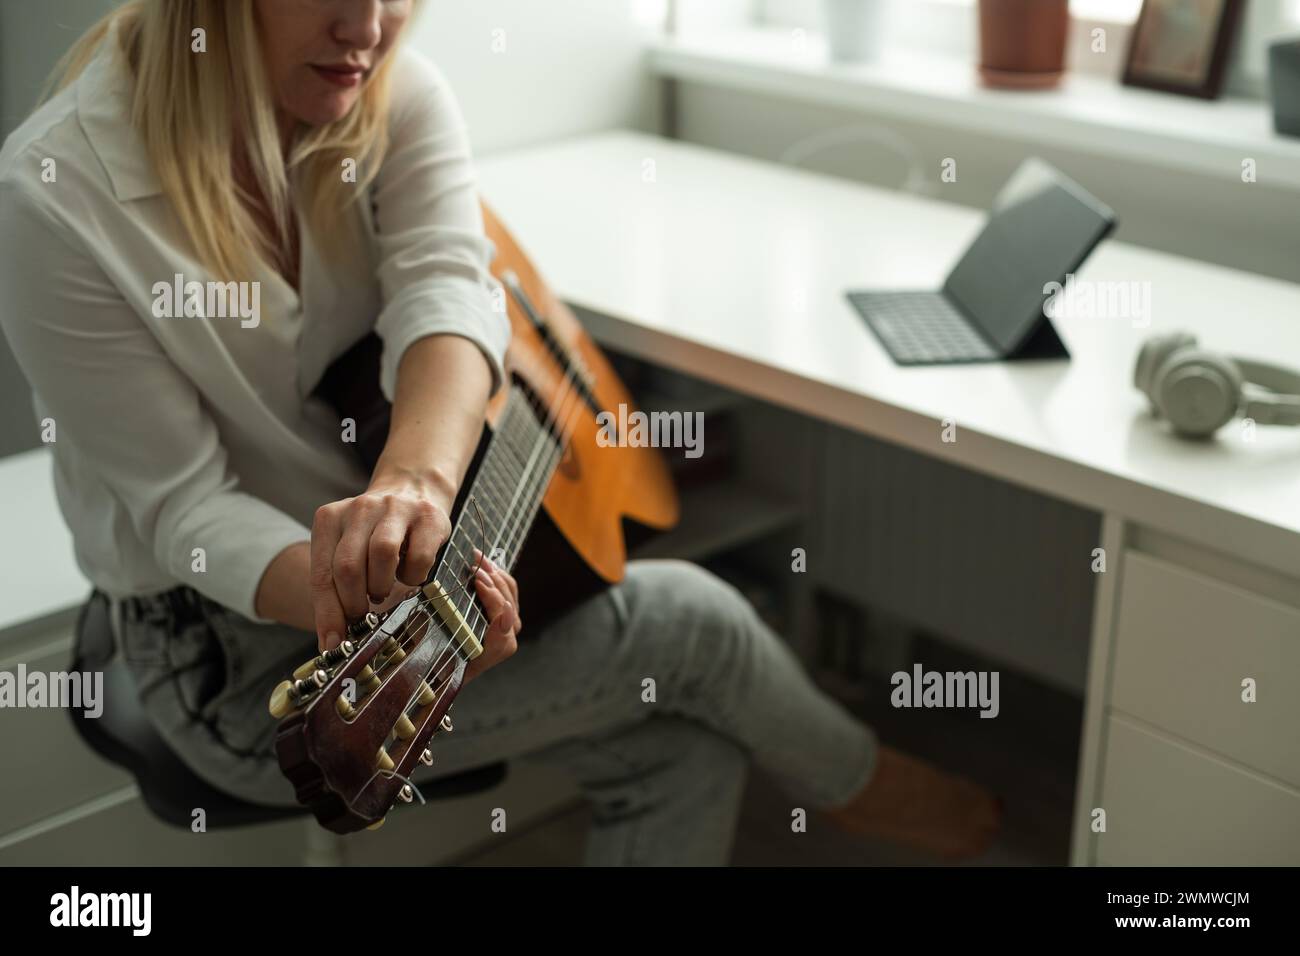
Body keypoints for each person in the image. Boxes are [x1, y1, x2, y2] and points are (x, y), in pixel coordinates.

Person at [0, 0, 999, 865]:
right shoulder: (55, 195)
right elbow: (185, 510)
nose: (370, 28)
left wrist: (417, 488)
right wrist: (391, 615)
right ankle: (888, 792)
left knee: (684, 752)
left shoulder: (389, 85)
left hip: (379, 547)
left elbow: (449, 290)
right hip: (225, 657)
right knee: (699, 622)